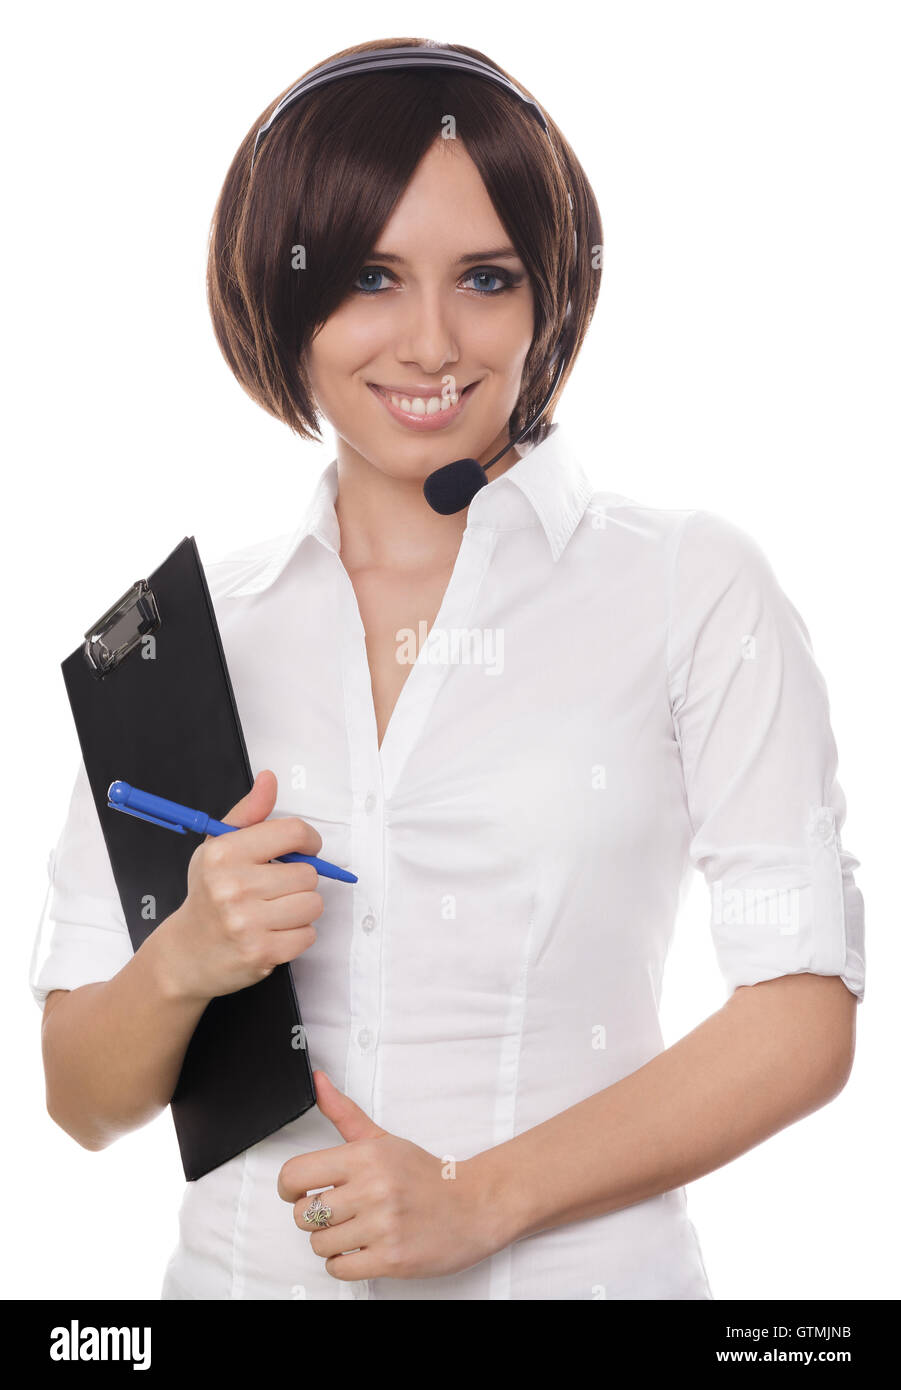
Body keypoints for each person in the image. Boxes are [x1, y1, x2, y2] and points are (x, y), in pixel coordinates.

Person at [31, 37, 864, 1300]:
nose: (431, 342)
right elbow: (82, 1103)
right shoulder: (178, 633)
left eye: (485, 277)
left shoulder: (689, 585)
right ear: (281, 291)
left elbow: (801, 1016)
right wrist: (189, 954)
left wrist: (483, 1199)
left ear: (549, 298)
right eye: (370, 274)